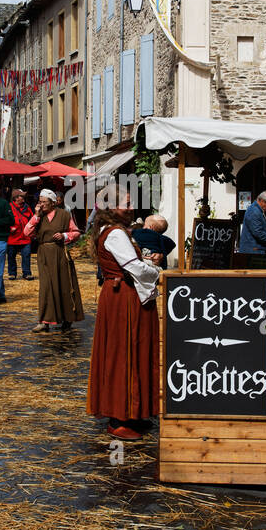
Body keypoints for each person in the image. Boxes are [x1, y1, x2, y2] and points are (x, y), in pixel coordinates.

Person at [87, 185, 161, 440]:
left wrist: (148, 263)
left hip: (122, 296)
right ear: (111, 208)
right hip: (124, 300)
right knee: (123, 353)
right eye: (126, 203)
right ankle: (118, 417)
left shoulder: (116, 231)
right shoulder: (116, 233)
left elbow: (133, 263)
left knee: (130, 351)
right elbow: (135, 269)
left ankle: (132, 412)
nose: (131, 208)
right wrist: (157, 272)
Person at [24, 188, 83, 332]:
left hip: (60, 253)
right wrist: (36, 216)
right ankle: (44, 321)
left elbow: (76, 232)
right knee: (46, 286)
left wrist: (64, 236)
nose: (41, 205)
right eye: (40, 202)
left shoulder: (64, 215)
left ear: (53, 203)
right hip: (44, 254)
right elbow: (26, 232)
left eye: (44, 202)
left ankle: (67, 319)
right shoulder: (39, 217)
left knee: (64, 285)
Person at [7, 189, 34, 281]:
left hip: (25, 237)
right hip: (13, 237)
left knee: (26, 255)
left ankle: (27, 273)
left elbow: (32, 219)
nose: (24, 198)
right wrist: (9, 228)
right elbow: (4, 221)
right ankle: (12, 273)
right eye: (21, 196)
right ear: (16, 198)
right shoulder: (8, 208)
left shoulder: (27, 207)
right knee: (11, 256)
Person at [238, 190, 266, 256]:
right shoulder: (254, 211)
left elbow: (263, 230)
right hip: (251, 251)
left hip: (253, 250)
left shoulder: (257, 210)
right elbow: (258, 233)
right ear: (263, 201)